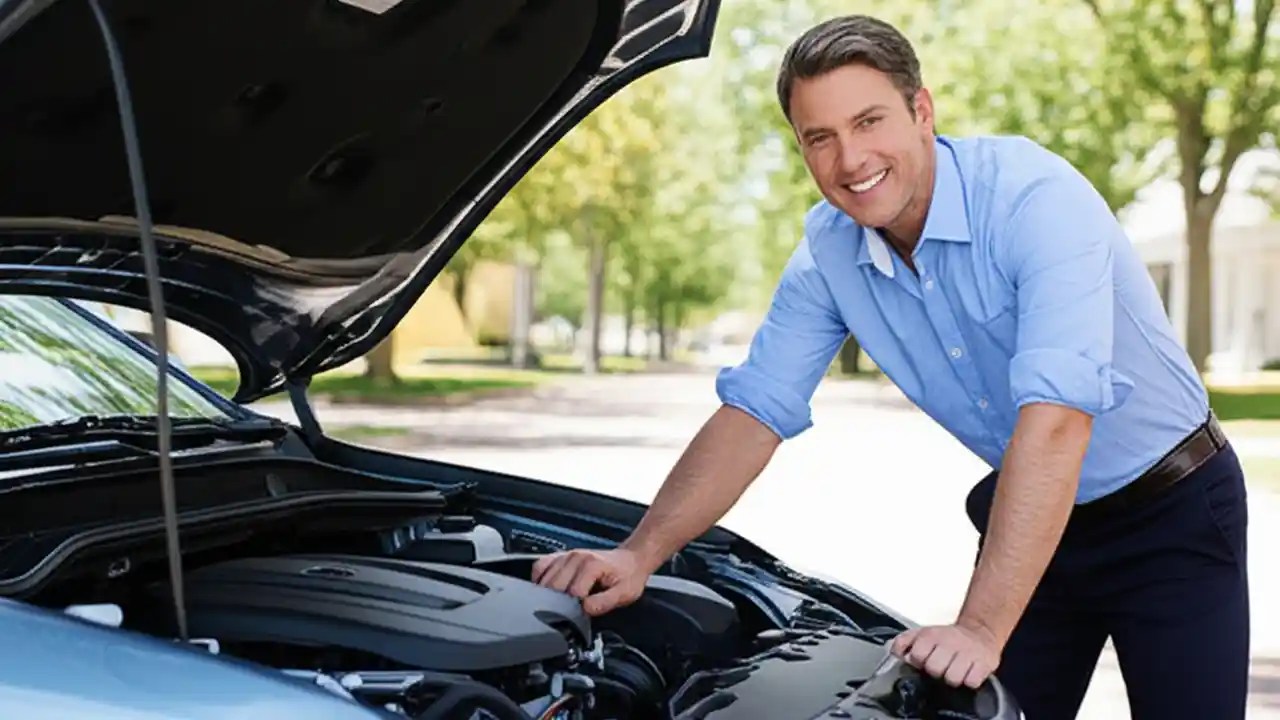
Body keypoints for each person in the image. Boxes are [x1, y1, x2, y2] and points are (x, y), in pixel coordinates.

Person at [531, 14, 1250, 719]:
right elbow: (754, 410)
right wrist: (639, 555)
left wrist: (979, 628)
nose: (850, 160)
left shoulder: (1036, 201)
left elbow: (1058, 421)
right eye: (821, 137)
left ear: (922, 111)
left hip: (1173, 516)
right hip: (1032, 524)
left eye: (870, 121)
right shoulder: (827, 255)